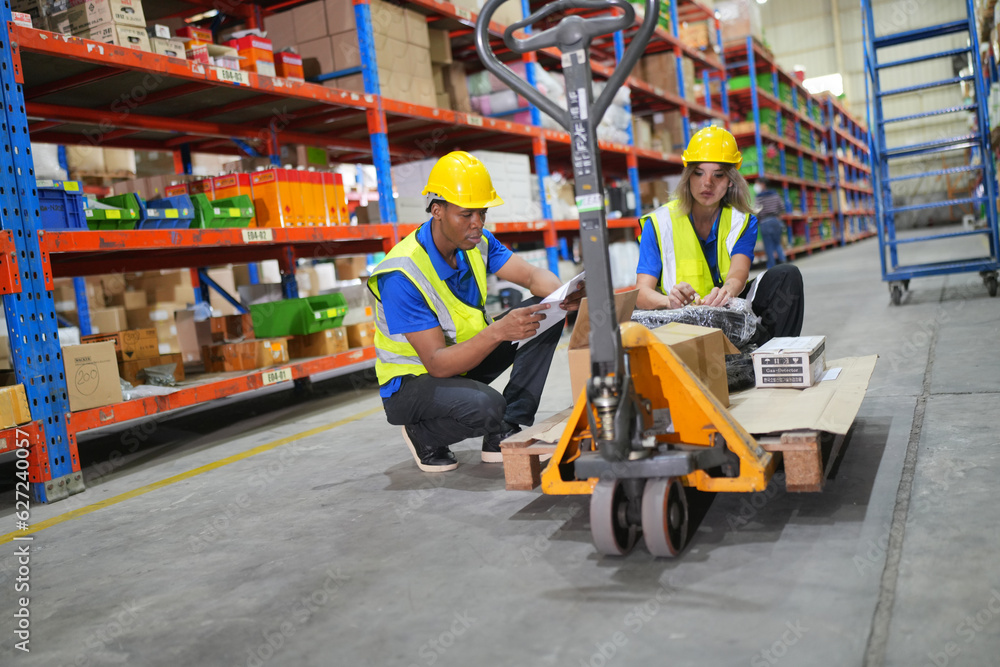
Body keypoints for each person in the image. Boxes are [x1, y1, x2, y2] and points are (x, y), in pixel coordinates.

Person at [368, 151, 585, 472]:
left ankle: (506, 428)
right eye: (467, 214)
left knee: (543, 315)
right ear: (437, 210)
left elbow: (530, 276)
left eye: (482, 213)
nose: (478, 223)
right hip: (412, 384)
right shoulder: (402, 275)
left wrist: (559, 295)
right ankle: (424, 435)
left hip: (463, 358)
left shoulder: (477, 241)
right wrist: (499, 330)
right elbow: (437, 364)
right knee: (487, 407)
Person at [634, 126, 803, 343]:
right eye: (699, 173)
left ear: (731, 179)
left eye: (719, 175)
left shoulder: (741, 220)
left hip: (726, 312)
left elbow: (738, 274)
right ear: (688, 176)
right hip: (680, 322)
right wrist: (669, 301)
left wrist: (726, 292)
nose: (707, 183)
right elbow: (641, 293)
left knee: (787, 276)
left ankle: (773, 359)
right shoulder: (659, 223)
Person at [754, 177, 788, 269]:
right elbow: (782, 207)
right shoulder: (775, 195)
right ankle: (784, 263)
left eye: (757, 183)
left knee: (768, 246)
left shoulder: (759, 197)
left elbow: (757, 211)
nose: (756, 186)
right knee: (777, 243)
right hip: (775, 221)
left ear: (763, 184)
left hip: (765, 222)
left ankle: (772, 267)